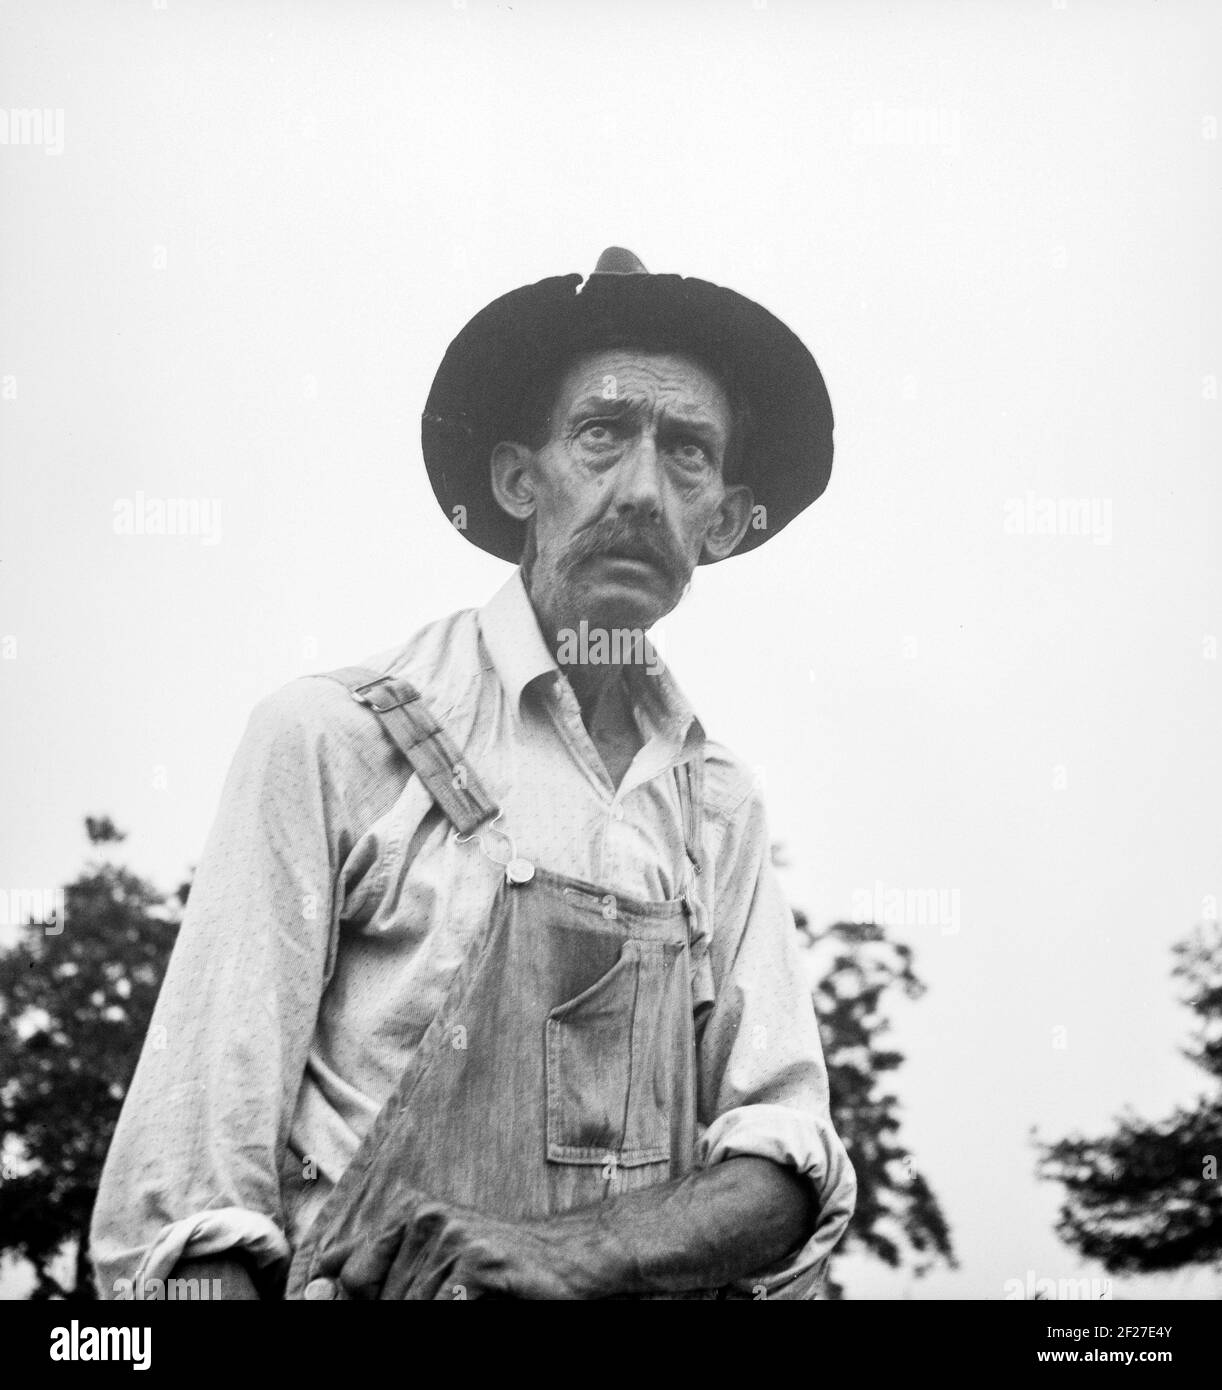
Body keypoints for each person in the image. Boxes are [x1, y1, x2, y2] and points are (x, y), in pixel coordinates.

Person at [91, 247, 857, 1300]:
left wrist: (574, 1252)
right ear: (517, 479)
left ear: (721, 520)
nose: (639, 489)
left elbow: (782, 1167)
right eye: (601, 434)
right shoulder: (332, 740)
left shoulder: (715, 805)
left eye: (686, 453)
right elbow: (188, 1205)